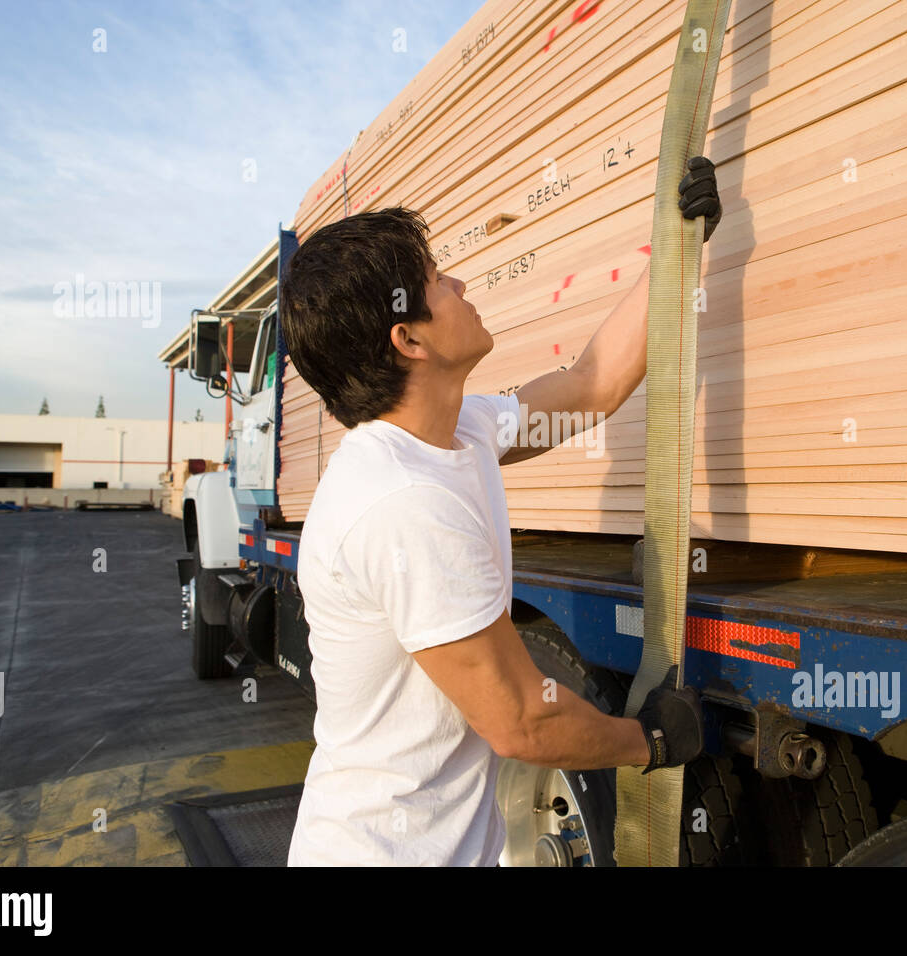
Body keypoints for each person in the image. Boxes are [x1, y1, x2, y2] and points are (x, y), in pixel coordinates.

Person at [282, 158, 723, 866]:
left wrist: (677, 244)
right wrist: (650, 742)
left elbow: (591, 384)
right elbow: (521, 722)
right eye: (437, 281)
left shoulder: (457, 431)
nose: (459, 285)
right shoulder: (402, 504)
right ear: (410, 340)